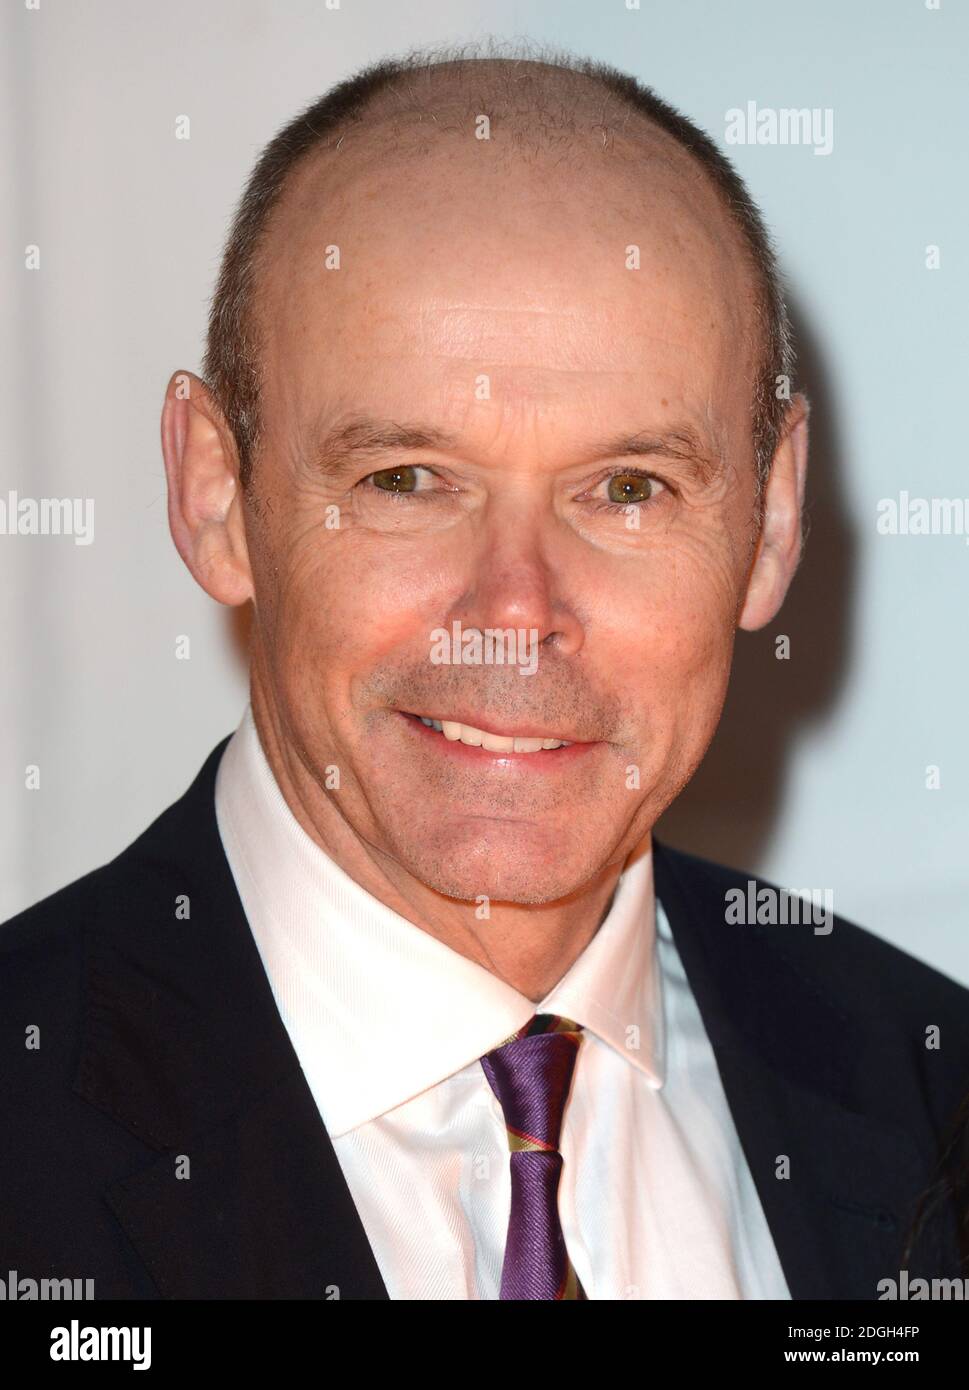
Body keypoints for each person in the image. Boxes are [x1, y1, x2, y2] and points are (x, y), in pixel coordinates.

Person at [3, 43, 968, 1301]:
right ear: (215, 493)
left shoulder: (931, 1099)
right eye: (407, 479)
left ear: (773, 522)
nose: (514, 615)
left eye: (628, 488)